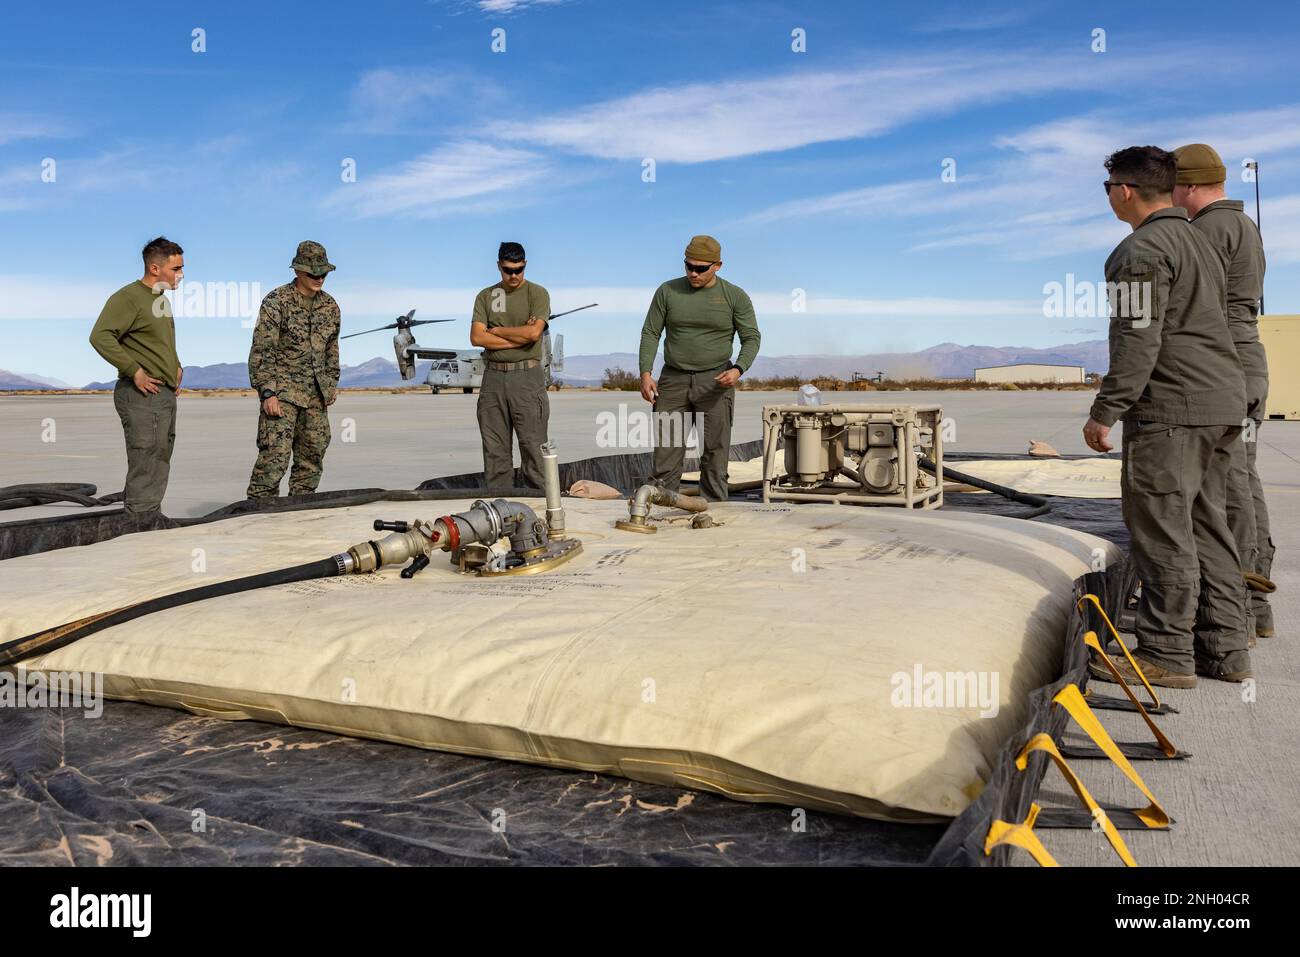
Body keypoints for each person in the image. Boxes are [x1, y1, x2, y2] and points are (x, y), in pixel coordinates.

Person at [1083, 146, 1250, 688]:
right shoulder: (1199, 241)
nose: (1108, 197)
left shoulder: (1142, 250)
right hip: (1221, 403)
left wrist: (1106, 410)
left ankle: (1166, 654)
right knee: (1208, 527)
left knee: (1162, 529)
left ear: (1124, 191)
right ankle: (1225, 650)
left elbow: (1137, 339)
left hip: (1174, 410)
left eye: (1107, 187)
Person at [1173, 143, 1275, 643]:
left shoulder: (1208, 230)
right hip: (1248, 362)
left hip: (1226, 367)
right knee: (1243, 481)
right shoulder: (1243, 226)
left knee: (1222, 490)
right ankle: (1255, 607)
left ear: (1188, 185)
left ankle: (1230, 616)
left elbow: (1193, 305)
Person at [638, 235, 760, 501]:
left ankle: (714, 513)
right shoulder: (668, 291)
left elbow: (751, 337)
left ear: (718, 265)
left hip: (716, 382)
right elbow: (650, 332)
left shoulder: (734, 296)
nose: (693, 273)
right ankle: (661, 508)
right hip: (673, 381)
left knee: (715, 454)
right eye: (688, 266)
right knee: (667, 454)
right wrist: (646, 373)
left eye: (701, 268)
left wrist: (738, 369)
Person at [89, 236, 185, 513]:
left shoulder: (160, 301)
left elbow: (158, 343)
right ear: (155, 269)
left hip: (163, 394)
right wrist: (136, 371)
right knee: (146, 460)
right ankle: (139, 523)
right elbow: (100, 336)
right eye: (176, 268)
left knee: (160, 458)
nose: (181, 274)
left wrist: (175, 366)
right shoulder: (129, 298)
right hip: (142, 395)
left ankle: (149, 519)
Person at [246, 241, 341, 498]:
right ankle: (256, 516)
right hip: (283, 394)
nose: (319, 278)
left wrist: (331, 384)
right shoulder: (277, 301)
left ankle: (300, 511)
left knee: (312, 457)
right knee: (273, 460)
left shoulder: (330, 307)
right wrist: (268, 392)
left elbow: (331, 351)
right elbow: (263, 350)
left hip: (315, 397)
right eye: (313, 273)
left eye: (323, 273)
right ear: (298, 271)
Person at [471, 241, 551, 490]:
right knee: (495, 451)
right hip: (493, 380)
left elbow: (534, 335)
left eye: (518, 269)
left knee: (533, 447)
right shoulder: (485, 296)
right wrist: (519, 337)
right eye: (508, 270)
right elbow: (477, 338)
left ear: (525, 265)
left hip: (527, 378)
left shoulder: (537, 294)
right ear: (499, 266)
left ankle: (538, 510)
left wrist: (498, 332)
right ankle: (498, 510)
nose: (513, 275)